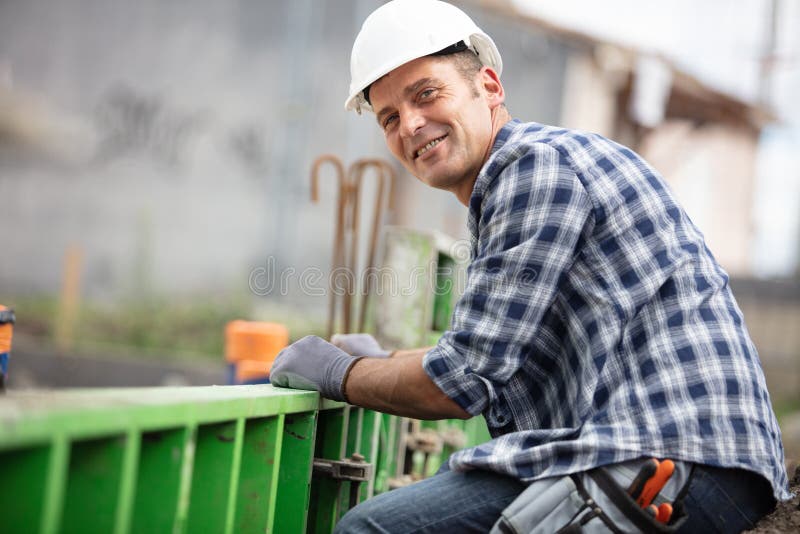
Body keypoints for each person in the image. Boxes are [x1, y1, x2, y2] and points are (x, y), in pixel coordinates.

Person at [270, 1, 791, 531]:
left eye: (426, 94)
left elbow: (460, 382)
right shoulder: (539, 171)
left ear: (490, 87)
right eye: (389, 118)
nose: (410, 124)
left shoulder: (533, 168)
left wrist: (339, 373)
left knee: (370, 528)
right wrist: (391, 358)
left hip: (670, 462)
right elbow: (491, 354)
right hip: (699, 463)